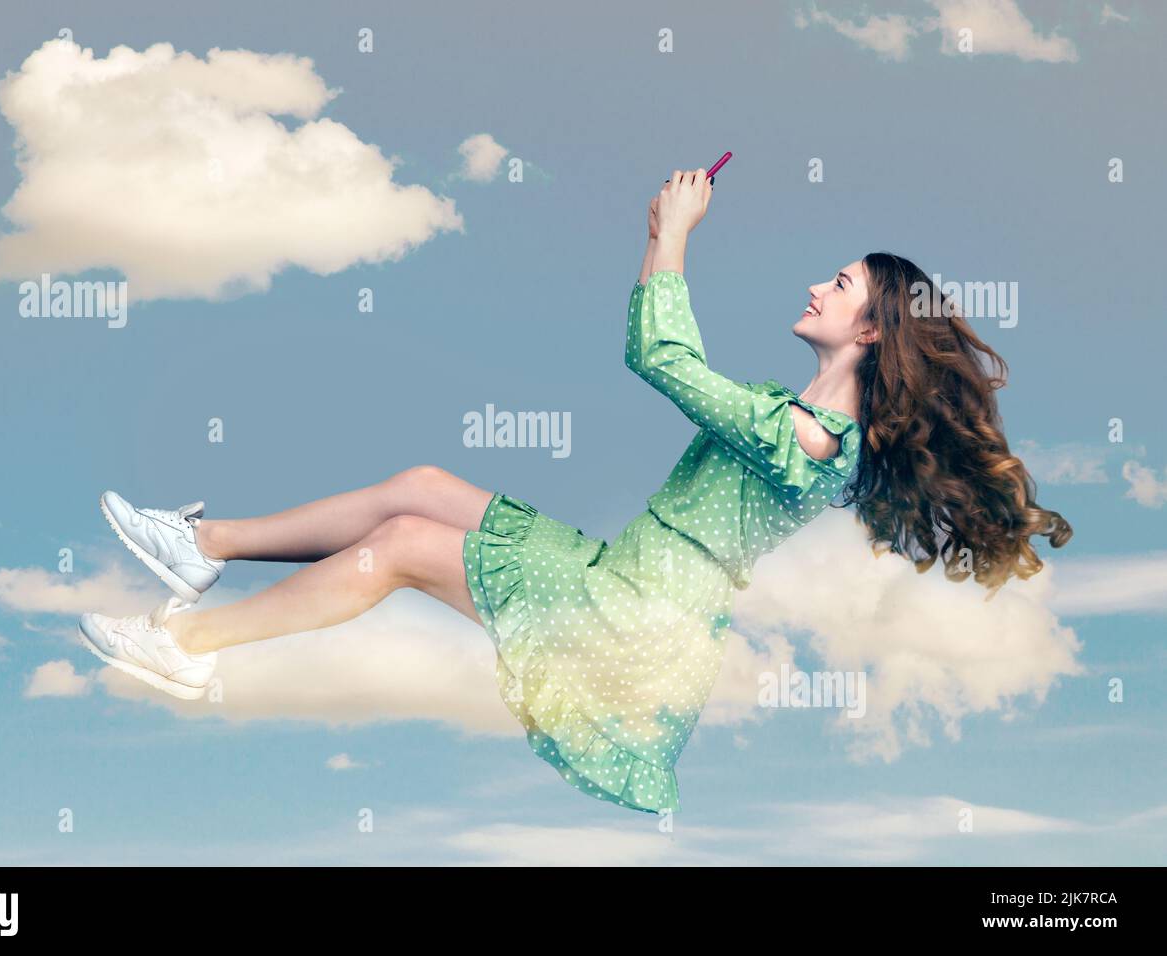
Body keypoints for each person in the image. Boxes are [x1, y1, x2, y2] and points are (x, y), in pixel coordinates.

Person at [78, 168, 1071, 814]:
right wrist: (656, 228)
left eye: (841, 283)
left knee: (405, 547)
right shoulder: (788, 408)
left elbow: (659, 351)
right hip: (623, 573)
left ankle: (185, 650)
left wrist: (675, 228)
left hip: (638, 618)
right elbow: (661, 352)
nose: (819, 284)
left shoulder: (809, 437)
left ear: (870, 330)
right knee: (422, 484)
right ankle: (201, 549)